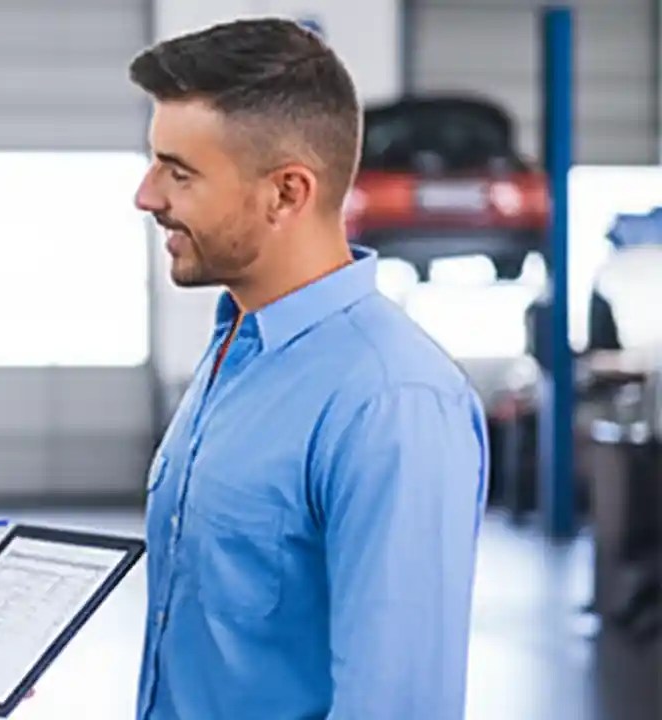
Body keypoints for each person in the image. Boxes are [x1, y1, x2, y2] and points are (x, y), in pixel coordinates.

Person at [129, 19, 489, 719]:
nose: (148, 196)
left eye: (179, 172)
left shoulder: (391, 400)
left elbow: (394, 705)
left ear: (288, 193)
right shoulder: (236, 348)